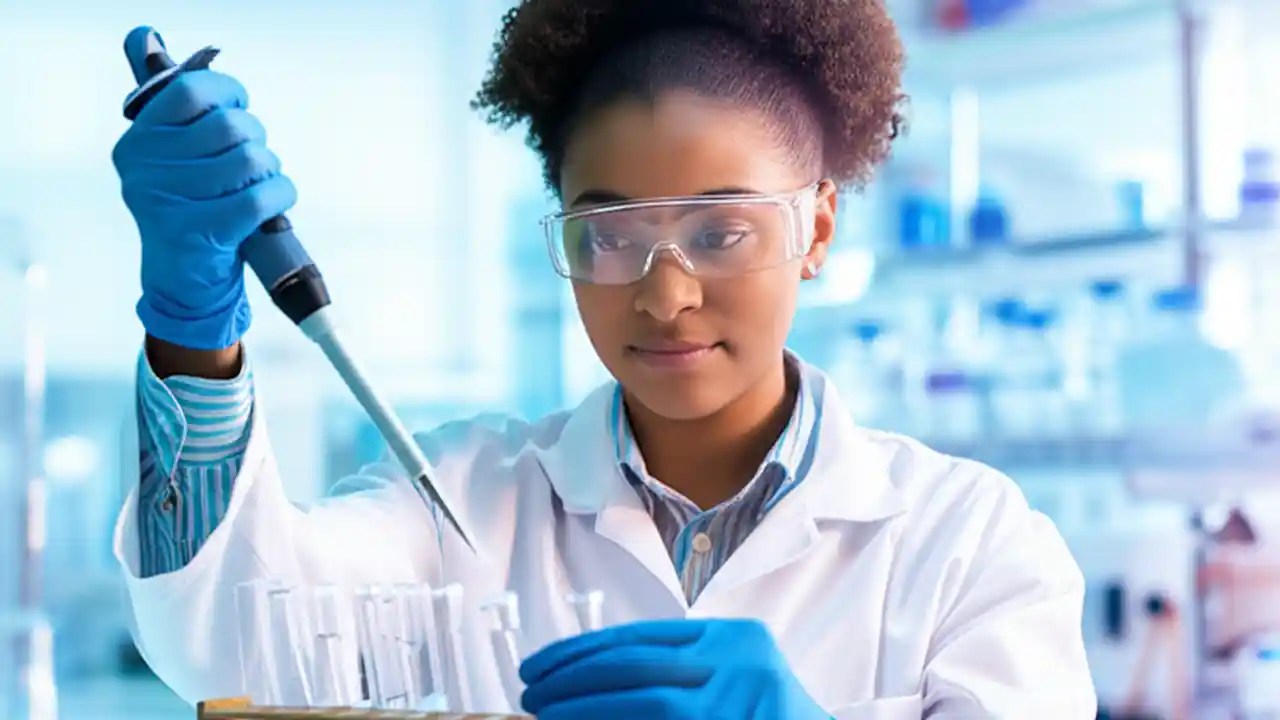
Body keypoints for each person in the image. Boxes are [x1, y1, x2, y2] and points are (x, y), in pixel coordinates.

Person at [110, 1, 1096, 717]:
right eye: (608, 236)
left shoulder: (966, 541)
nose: (664, 297)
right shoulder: (460, 498)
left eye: (721, 232)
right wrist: (193, 320)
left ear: (817, 226)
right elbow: (226, 644)